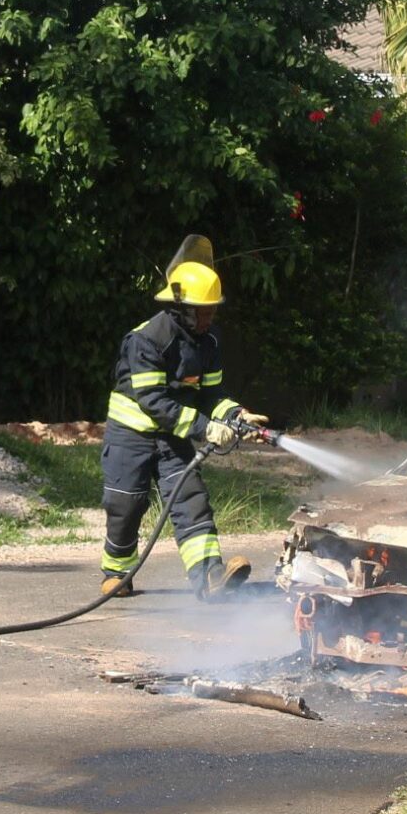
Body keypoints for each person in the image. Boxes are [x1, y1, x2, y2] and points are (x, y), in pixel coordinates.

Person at [98, 248, 267, 598]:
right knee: (126, 505)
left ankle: (210, 578)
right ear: (181, 308)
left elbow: (210, 395)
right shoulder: (146, 340)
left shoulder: (209, 343)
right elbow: (154, 403)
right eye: (203, 310)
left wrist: (237, 415)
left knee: (192, 500)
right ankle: (117, 573)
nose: (210, 316)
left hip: (172, 437)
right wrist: (205, 428)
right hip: (131, 435)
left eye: (213, 308)